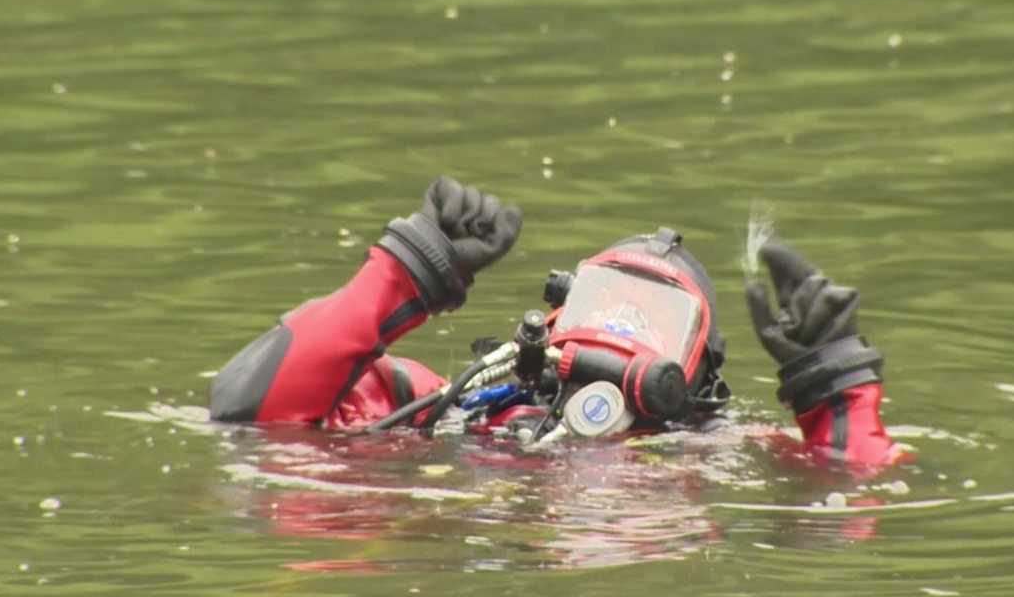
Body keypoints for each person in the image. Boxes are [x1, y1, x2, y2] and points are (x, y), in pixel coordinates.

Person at [209, 177, 904, 474]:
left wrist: (832, 388)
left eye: (657, 318)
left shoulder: (722, 451)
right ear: (550, 322)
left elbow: (855, 492)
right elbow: (247, 411)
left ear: (698, 374)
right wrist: (403, 272)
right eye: (603, 300)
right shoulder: (450, 408)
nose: (618, 329)